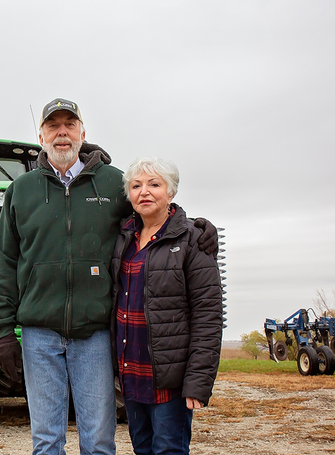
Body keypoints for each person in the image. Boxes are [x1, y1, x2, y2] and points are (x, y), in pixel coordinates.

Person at [0, 97, 219, 455]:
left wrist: (194, 228)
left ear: (83, 132)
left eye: (69, 124)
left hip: (95, 334)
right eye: (53, 126)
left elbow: (154, 213)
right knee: (46, 441)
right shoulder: (22, 190)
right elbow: (4, 262)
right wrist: (3, 331)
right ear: (41, 135)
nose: (61, 133)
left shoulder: (113, 184)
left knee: (97, 440)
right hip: (39, 335)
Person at [111, 157, 223, 455]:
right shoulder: (123, 239)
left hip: (169, 380)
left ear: (171, 192)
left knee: (168, 450)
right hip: (131, 375)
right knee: (142, 449)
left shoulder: (193, 241)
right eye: (136, 186)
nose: (144, 192)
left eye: (154, 184)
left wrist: (199, 381)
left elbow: (208, 315)